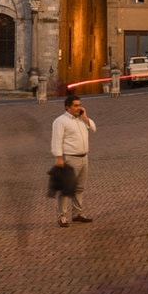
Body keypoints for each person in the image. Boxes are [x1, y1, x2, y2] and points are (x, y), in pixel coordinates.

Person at [49, 95, 97, 226]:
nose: (78, 108)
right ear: (67, 107)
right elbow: (56, 141)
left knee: (80, 188)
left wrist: (85, 117)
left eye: (79, 105)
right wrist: (58, 157)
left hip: (84, 157)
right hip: (70, 158)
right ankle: (62, 216)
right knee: (66, 189)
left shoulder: (81, 119)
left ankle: (77, 213)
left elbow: (93, 127)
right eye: (75, 105)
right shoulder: (60, 121)